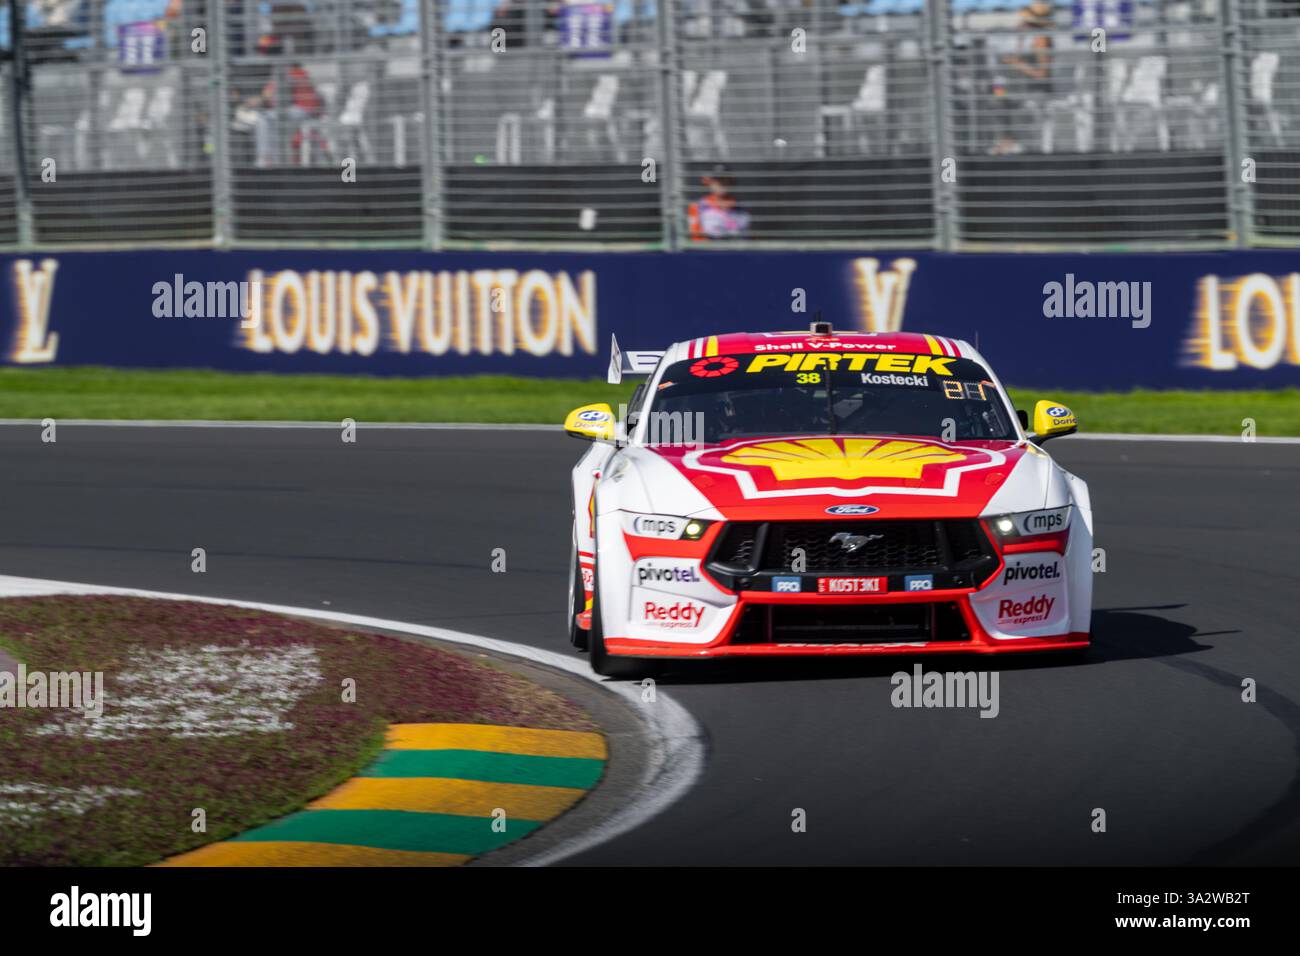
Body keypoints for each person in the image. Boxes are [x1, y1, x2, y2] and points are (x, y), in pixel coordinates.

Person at [241, 33, 326, 166]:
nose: (264, 55)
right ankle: (272, 160)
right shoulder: (280, 68)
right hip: (293, 110)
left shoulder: (289, 68)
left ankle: (264, 160)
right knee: (267, 118)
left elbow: (270, 95)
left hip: (304, 111)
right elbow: (269, 95)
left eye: (267, 51)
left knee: (263, 118)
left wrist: (255, 101)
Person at [989, 0, 1053, 155]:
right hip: (1014, 87)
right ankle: (1006, 141)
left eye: (1026, 21)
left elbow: (1042, 74)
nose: (1021, 23)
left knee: (1005, 101)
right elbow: (1013, 61)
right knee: (996, 96)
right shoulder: (1023, 38)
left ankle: (1009, 142)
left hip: (1033, 91)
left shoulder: (1041, 41)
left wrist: (1017, 64)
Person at [688, 165, 751, 240]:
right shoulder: (697, 207)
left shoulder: (740, 209)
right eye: (717, 179)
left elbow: (745, 239)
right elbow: (696, 238)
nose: (721, 183)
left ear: (731, 181)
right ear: (709, 182)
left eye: (725, 179)